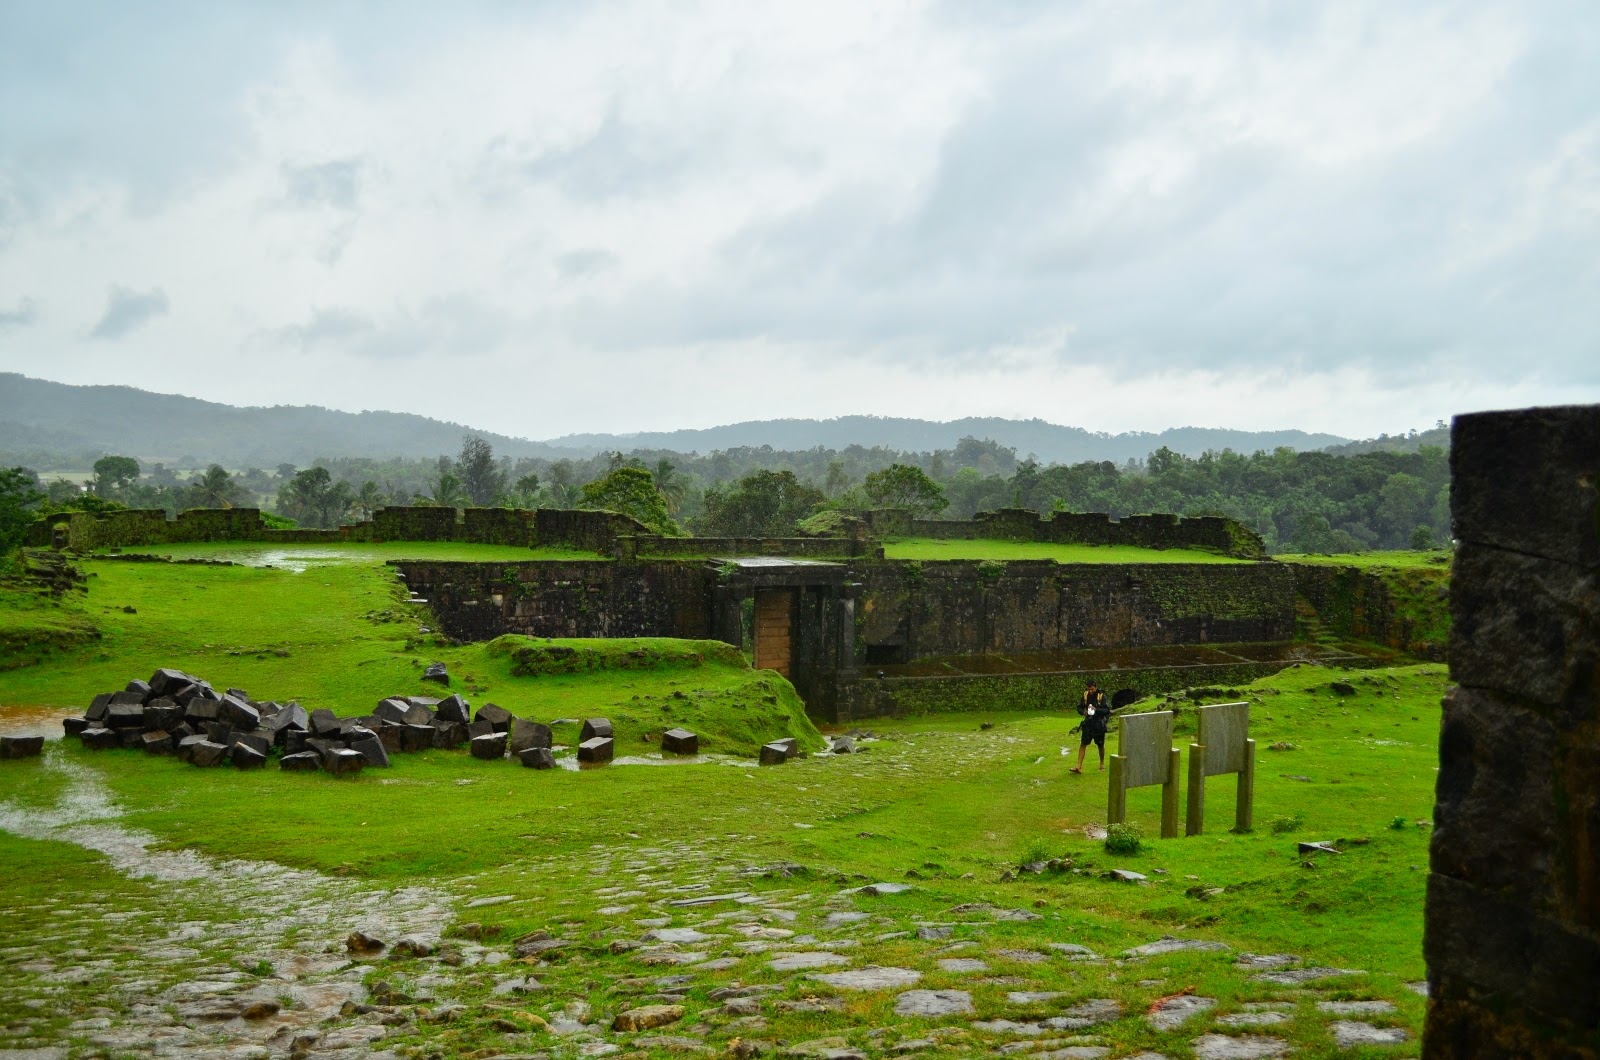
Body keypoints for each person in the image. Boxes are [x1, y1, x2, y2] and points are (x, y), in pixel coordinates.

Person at [1070, 681, 1110, 774]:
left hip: (1099, 724)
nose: (1090, 691)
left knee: (1100, 745)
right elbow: (1079, 707)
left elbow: (1107, 710)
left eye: (1092, 689)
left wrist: (1096, 710)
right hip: (1088, 723)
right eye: (1088, 689)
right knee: (1083, 744)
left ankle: (1102, 764)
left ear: (1095, 687)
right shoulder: (1085, 696)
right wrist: (1083, 712)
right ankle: (1079, 766)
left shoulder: (1101, 696)